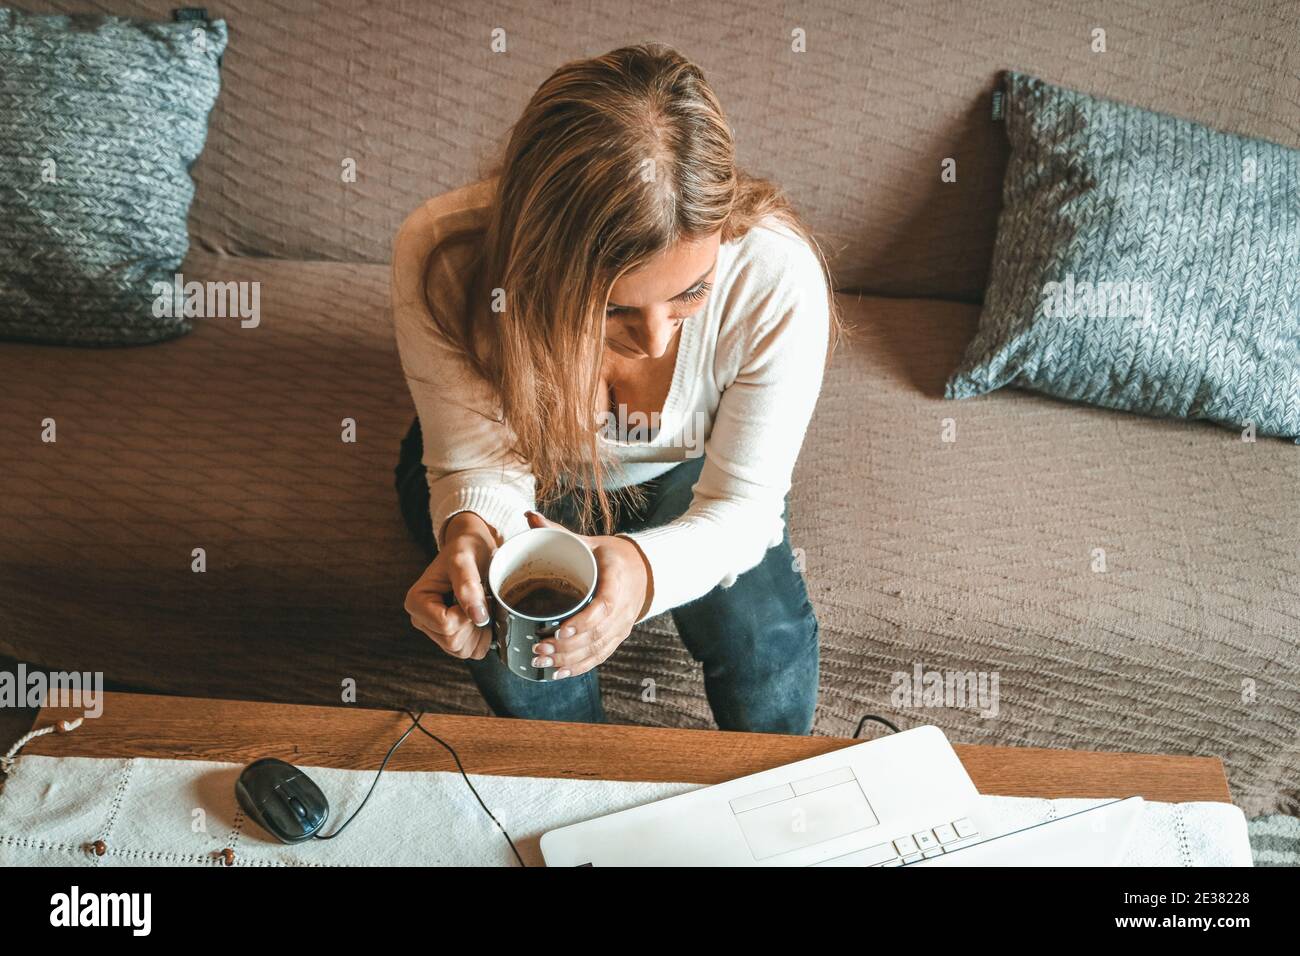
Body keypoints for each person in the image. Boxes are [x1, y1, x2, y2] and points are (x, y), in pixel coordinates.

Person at [391, 43, 839, 733]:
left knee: (763, 639)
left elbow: (744, 508)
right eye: (613, 309)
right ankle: (577, 795)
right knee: (522, 651)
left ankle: (778, 809)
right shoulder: (445, 259)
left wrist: (641, 571)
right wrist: (472, 531)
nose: (658, 340)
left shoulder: (776, 280)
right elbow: (476, 466)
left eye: (691, 292)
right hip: (522, 468)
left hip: (688, 471)